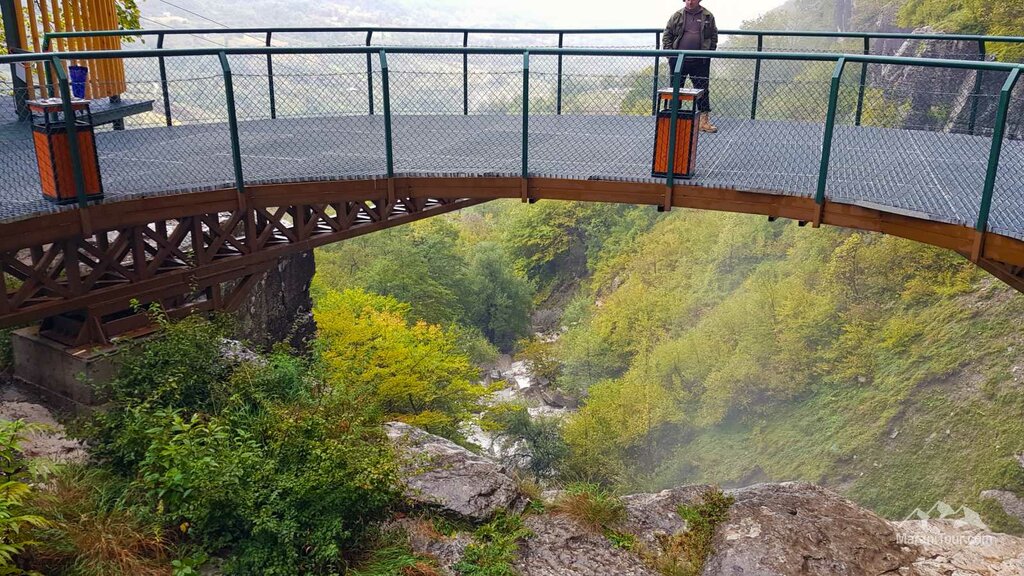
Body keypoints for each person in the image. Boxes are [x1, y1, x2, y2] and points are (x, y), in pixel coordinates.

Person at [663, 0, 719, 133]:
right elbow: (667, 34)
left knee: (703, 90)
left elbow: (713, 36)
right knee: (675, 89)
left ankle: (703, 122)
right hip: (678, 60)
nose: (690, 1)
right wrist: (670, 55)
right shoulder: (676, 15)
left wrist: (708, 54)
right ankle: (674, 120)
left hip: (700, 61)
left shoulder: (708, 16)